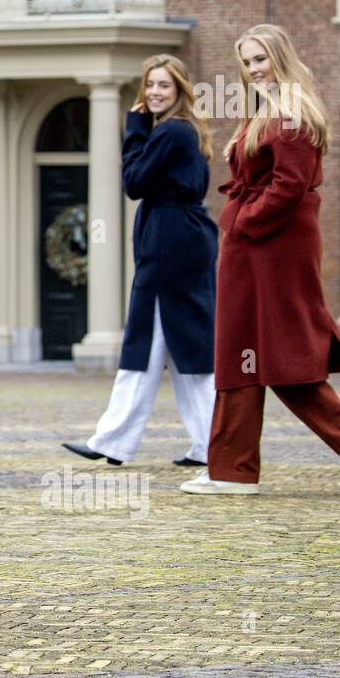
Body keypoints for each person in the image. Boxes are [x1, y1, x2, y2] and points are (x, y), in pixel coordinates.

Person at [181, 24, 340, 496]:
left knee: (263, 350)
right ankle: (232, 468)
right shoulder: (274, 111)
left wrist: (245, 222)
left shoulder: (289, 114)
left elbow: (289, 184)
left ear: (280, 57)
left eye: (260, 59)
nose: (253, 70)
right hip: (260, 247)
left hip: (267, 248)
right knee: (248, 351)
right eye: (247, 62)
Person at [62, 54, 218, 467]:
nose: (153, 93)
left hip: (170, 246)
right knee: (185, 345)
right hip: (183, 241)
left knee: (145, 340)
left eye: (164, 85)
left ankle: (112, 441)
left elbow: (133, 182)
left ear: (180, 90)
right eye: (149, 85)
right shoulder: (186, 132)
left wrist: (133, 129)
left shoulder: (170, 133)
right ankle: (209, 444)